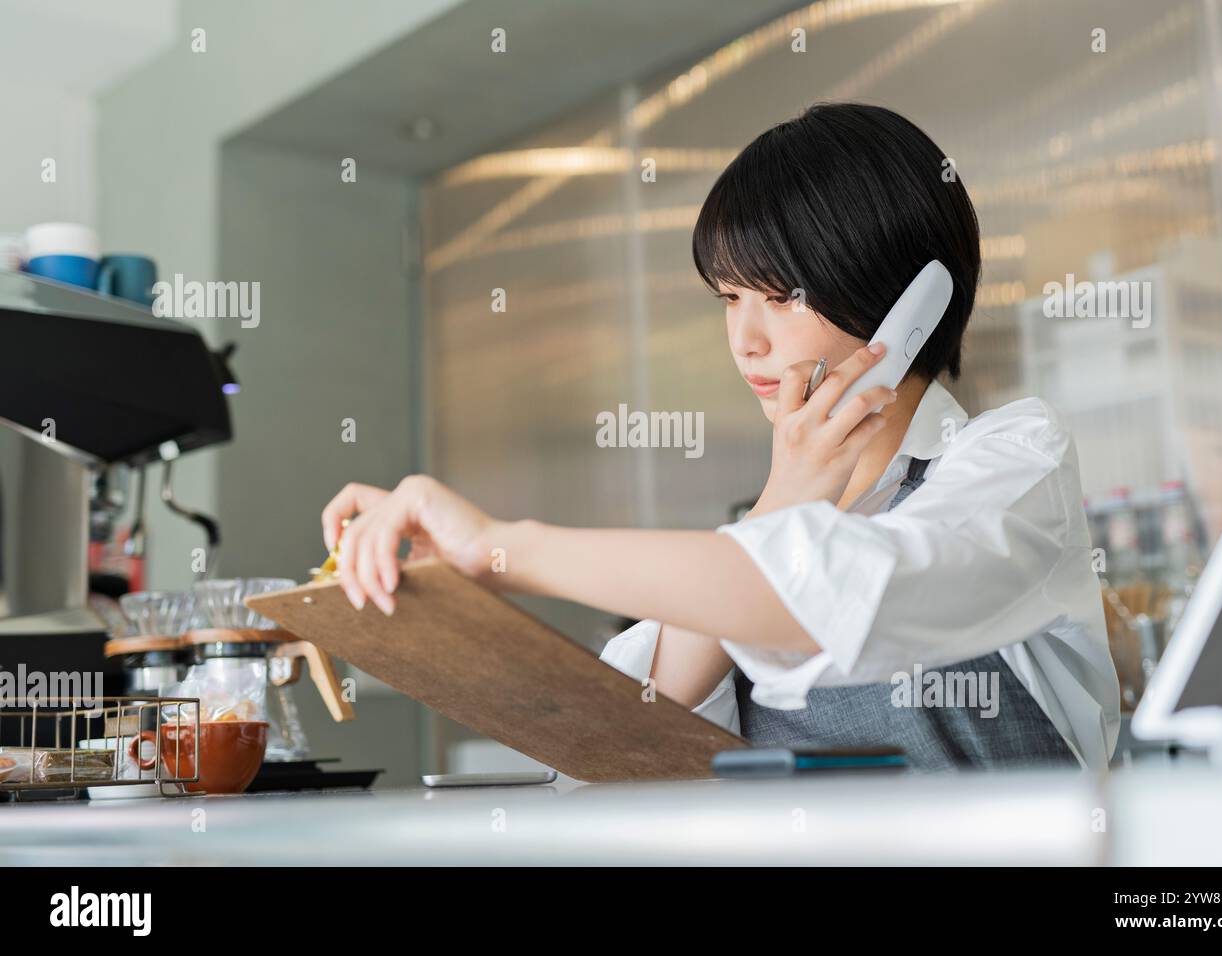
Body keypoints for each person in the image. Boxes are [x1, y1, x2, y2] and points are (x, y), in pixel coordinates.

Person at [321, 103, 1121, 772]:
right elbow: (648, 746)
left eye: (778, 296)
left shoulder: (1012, 460)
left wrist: (501, 545)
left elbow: (844, 600)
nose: (745, 341)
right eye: (730, 298)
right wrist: (786, 496)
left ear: (906, 294)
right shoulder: (752, 534)